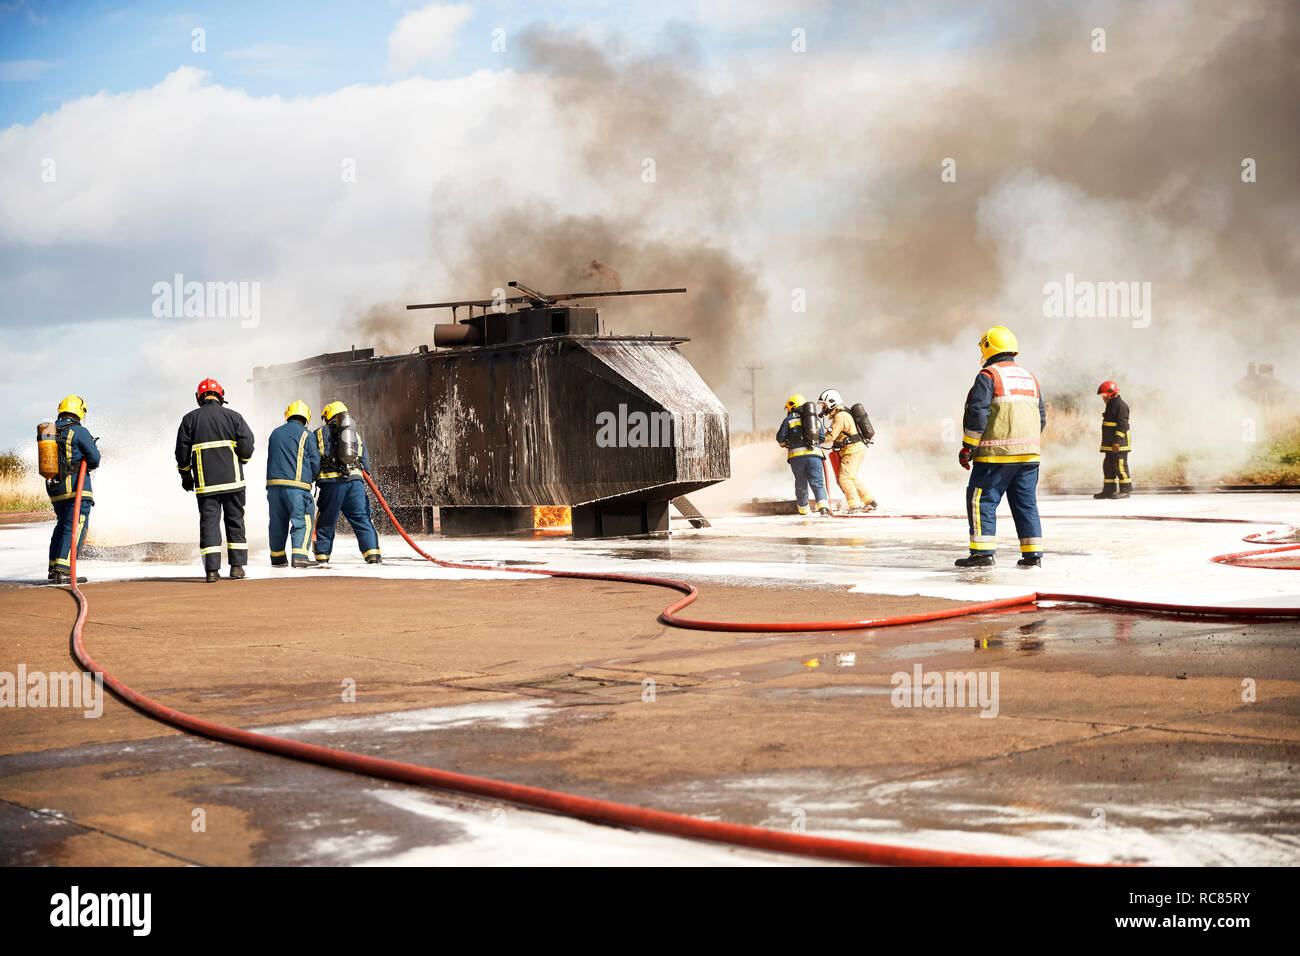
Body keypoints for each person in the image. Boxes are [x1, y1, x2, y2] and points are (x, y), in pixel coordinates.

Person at [956, 326, 1045, 568]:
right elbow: (1042, 417)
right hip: (1029, 457)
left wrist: (968, 447)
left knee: (980, 500)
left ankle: (982, 554)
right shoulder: (1030, 378)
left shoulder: (988, 375)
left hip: (996, 456)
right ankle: (1033, 556)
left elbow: (979, 412)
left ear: (988, 348)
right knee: (1026, 503)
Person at [175, 378, 255, 583]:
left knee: (209, 525)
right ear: (221, 395)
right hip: (233, 482)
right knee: (235, 522)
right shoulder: (234, 417)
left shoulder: (189, 420)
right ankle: (237, 568)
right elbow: (247, 445)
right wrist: (242, 459)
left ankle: (211, 571)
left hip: (206, 484)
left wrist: (186, 476)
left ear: (198, 397)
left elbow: (181, 453)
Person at [313, 401, 382, 565]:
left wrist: (314, 477)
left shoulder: (318, 434)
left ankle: (322, 556)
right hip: (355, 484)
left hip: (331, 483)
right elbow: (365, 463)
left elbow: (313, 458)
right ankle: (372, 554)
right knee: (362, 518)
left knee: (326, 520)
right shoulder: (355, 436)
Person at [45, 395, 100, 584]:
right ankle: (64, 570)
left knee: (62, 526)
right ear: (79, 411)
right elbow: (95, 459)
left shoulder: (51, 431)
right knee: (76, 526)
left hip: (56, 491)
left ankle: (54, 568)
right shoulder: (78, 431)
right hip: (76, 490)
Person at [266, 400, 321, 568]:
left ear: (287, 415)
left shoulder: (275, 433)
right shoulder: (307, 435)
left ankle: (277, 557)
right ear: (306, 418)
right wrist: (313, 477)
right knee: (302, 520)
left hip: (274, 487)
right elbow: (314, 462)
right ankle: (299, 557)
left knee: (277, 522)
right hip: (297, 488)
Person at [818, 388, 877, 513]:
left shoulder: (840, 416)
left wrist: (816, 439)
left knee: (844, 479)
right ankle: (870, 501)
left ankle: (855, 505)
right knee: (851, 478)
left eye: (824, 405)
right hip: (855, 449)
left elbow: (831, 436)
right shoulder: (841, 414)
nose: (823, 409)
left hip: (852, 450)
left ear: (831, 402)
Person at [776, 394, 829, 516]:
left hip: (797, 458)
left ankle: (804, 511)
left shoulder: (789, 419)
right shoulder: (814, 418)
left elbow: (780, 438)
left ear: (792, 406)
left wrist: (787, 443)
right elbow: (822, 437)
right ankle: (824, 509)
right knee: (818, 483)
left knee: (801, 483)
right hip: (815, 456)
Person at [1094, 380, 1132, 499]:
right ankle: (1109, 490)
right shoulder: (1111, 404)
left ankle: (1125, 490)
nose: (1103, 398)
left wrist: (1117, 442)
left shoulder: (1121, 406)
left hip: (1118, 443)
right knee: (1108, 466)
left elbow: (1123, 425)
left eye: (1104, 396)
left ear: (1111, 393)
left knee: (1119, 466)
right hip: (1110, 443)